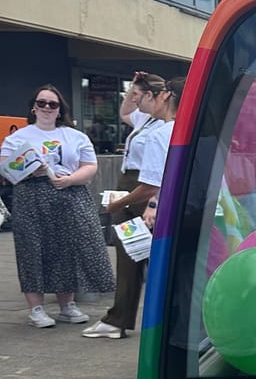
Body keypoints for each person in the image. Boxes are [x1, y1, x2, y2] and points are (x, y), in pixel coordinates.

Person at [1, 84, 113, 327]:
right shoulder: (17, 137)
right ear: (33, 107)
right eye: (42, 103)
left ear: (61, 109)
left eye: (53, 104)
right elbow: (7, 170)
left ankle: (67, 305)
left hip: (69, 194)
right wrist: (31, 170)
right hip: (31, 196)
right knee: (32, 250)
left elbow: (90, 165)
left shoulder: (75, 136)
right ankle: (37, 309)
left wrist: (70, 179)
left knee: (68, 249)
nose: (47, 108)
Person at [82, 75, 183, 339]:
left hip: (143, 194)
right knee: (135, 256)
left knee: (148, 258)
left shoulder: (162, 132)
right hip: (141, 190)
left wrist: (124, 202)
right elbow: (126, 110)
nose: (135, 99)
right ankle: (122, 319)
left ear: (162, 96)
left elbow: (155, 182)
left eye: (140, 94)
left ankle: (148, 321)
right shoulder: (152, 122)